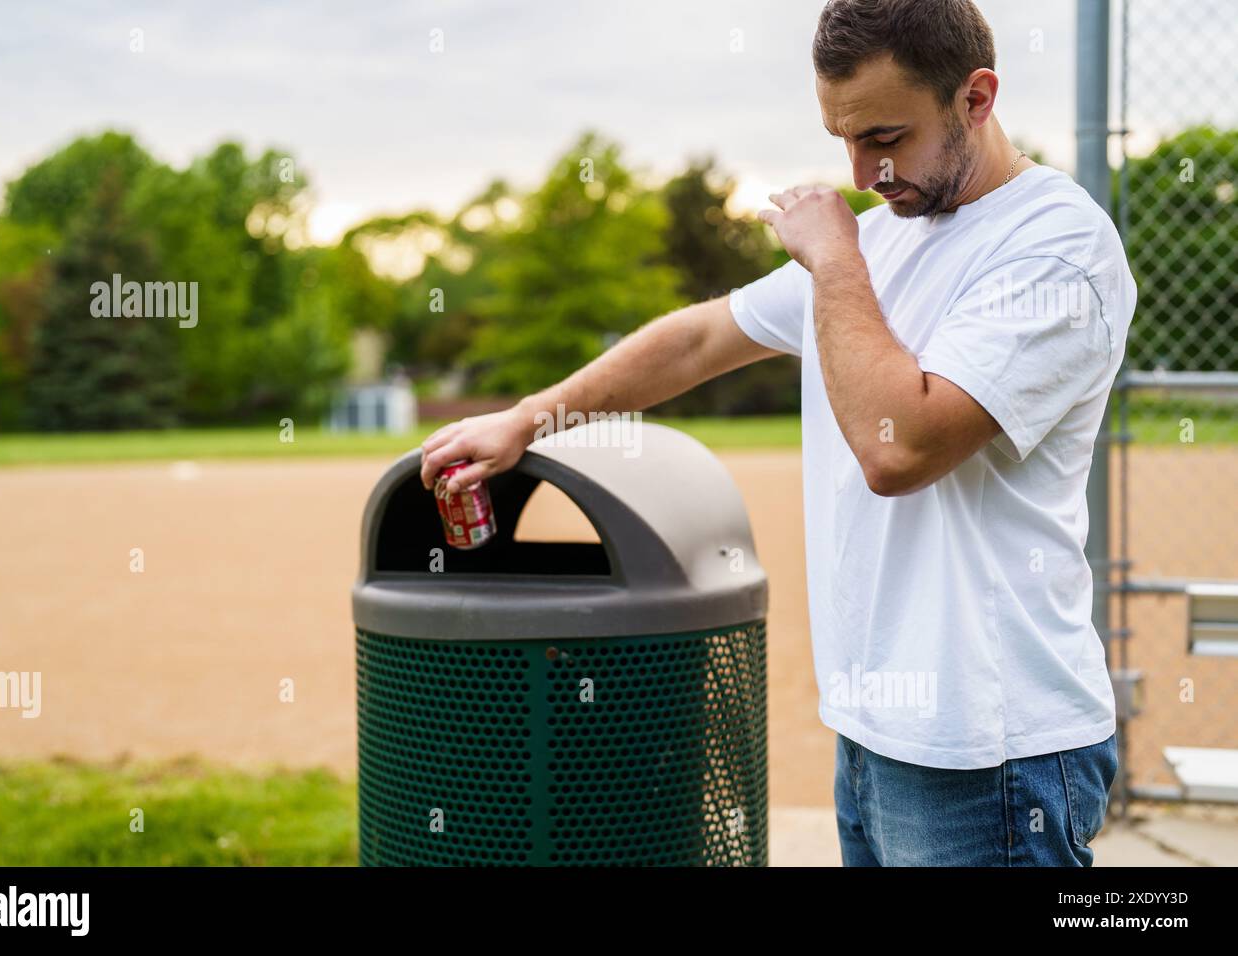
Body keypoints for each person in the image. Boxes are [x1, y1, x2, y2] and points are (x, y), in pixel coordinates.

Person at [419, 0, 1132, 866]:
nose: (864, 170)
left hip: (992, 753)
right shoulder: (887, 237)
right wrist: (528, 418)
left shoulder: (1054, 250)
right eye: (843, 138)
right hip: (874, 734)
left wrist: (832, 260)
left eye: (885, 136)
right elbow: (700, 338)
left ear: (976, 98)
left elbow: (897, 447)